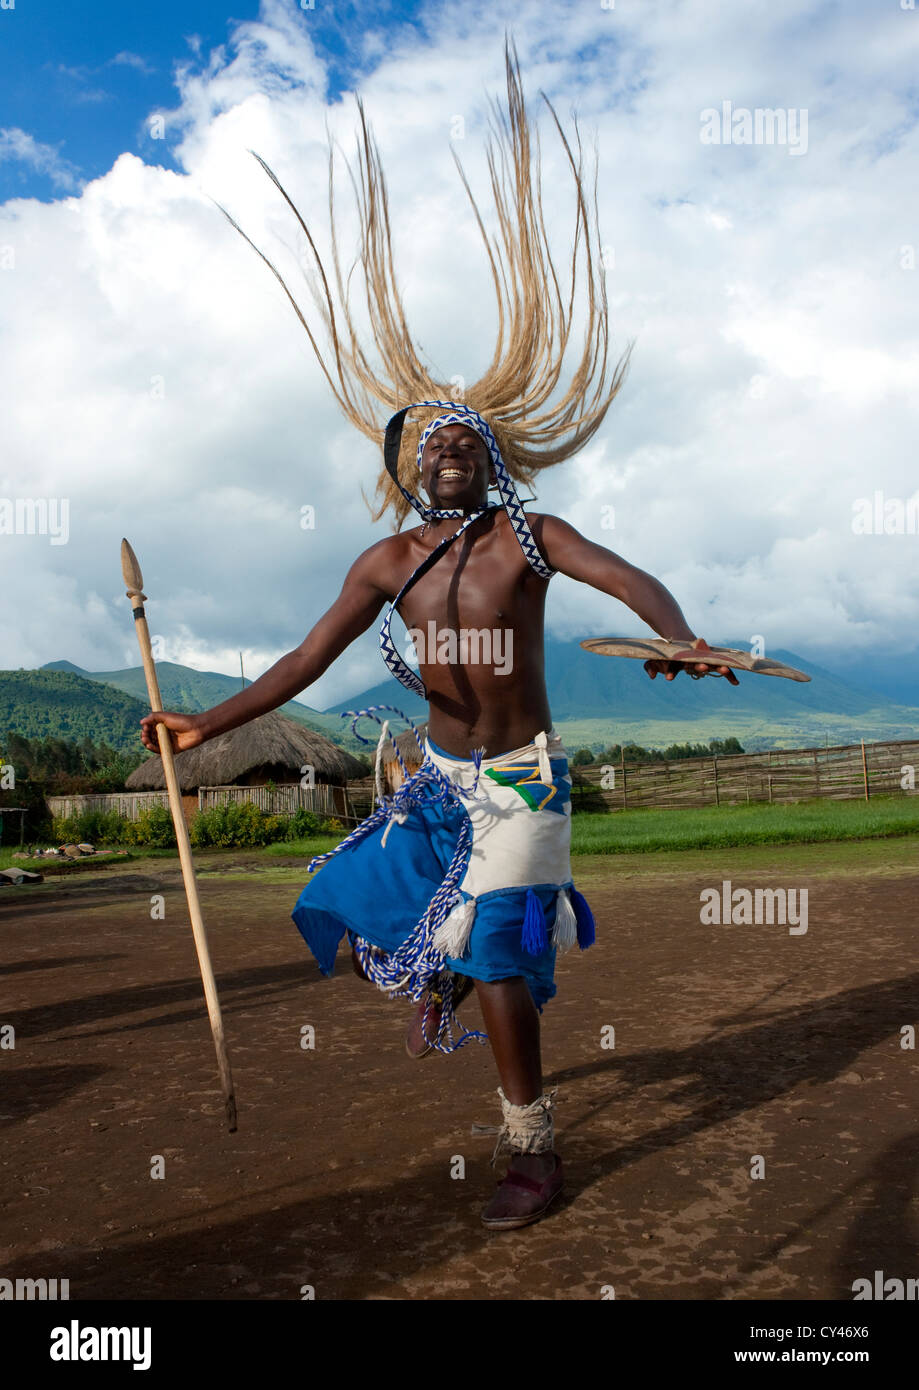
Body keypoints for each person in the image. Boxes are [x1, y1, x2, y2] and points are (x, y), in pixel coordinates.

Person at [140, 46, 738, 1229]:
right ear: (411, 471)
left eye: (465, 444)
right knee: (361, 910)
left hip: (522, 785)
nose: (446, 454)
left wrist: (681, 635)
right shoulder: (389, 562)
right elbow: (308, 659)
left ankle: (530, 1148)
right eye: (431, 448)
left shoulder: (533, 539)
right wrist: (207, 721)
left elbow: (639, 584)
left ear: (494, 459)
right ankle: (445, 970)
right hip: (438, 783)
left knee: (509, 956)